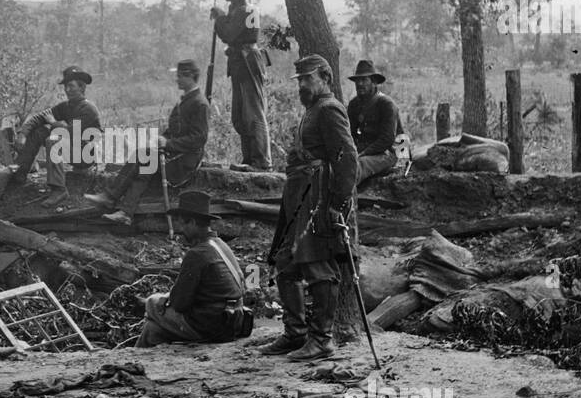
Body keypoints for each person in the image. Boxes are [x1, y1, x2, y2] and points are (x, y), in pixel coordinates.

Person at [259, 55, 359, 362]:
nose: (302, 84)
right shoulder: (312, 110)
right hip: (299, 195)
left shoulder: (329, 109)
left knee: (319, 267)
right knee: (285, 263)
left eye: (308, 78)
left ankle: (321, 340)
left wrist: (336, 205)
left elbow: (348, 159)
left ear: (326, 78)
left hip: (318, 198)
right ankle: (295, 333)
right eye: (299, 79)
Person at [85, 59, 209, 225]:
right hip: (177, 153)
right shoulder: (186, 100)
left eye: (180, 76)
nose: (177, 79)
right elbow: (174, 130)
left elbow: (199, 138)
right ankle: (124, 211)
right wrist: (162, 139)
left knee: (143, 157)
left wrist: (168, 144)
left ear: (191, 76)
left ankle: (111, 198)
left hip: (185, 161)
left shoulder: (200, 103)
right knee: (145, 166)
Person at [136, 191, 249, 347]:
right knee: (153, 328)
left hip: (212, 326)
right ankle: (148, 356)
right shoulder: (222, 245)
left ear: (194, 222)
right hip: (234, 320)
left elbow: (179, 304)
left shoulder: (197, 253)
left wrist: (165, 298)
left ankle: (135, 361)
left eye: (184, 223)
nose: (182, 229)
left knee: (152, 303)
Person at [9, 65, 103, 209]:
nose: (67, 90)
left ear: (82, 87)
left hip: (86, 155)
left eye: (71, 86)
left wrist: (53, 122)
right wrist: (22, 134)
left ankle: (59, 190)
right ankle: (19, 173)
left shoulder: (88, 109)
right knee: (41, 130)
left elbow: (71, 132)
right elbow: (39, 118)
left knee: (53, 140)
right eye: (66, 86)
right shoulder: (66, 106)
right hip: (73, 149)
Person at [211, 0, 272, 171]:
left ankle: (262, 161)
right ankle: (250, 159)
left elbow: (229, 34)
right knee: (239, 114)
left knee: (253, 112)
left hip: (248, 62)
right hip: (239, 63)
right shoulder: (237, 10)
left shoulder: (246, 10)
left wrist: (219, 18)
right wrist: (222, 17)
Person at [347, 59, 403, 185]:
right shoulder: (354, 104)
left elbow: (387, 139)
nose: (360, 84)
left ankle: (346, 201)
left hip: (387, 152)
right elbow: (349, 133)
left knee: (358, 165)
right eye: (357, 81)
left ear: (374, 82)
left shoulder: (386, 104)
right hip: (364, 149)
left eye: (364, 80)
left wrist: (362, 153)